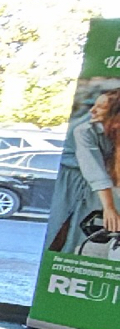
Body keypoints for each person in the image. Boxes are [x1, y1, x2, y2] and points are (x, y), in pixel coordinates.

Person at [49, 86, 120, 254]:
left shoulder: (113, 131)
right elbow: (94, 169)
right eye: (94, 105)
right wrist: (109, 207)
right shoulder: (85, 130)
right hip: (75, 179)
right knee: (63, 227)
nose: (92, 111)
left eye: (100, 107)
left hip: (99, 184)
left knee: (87, 230)